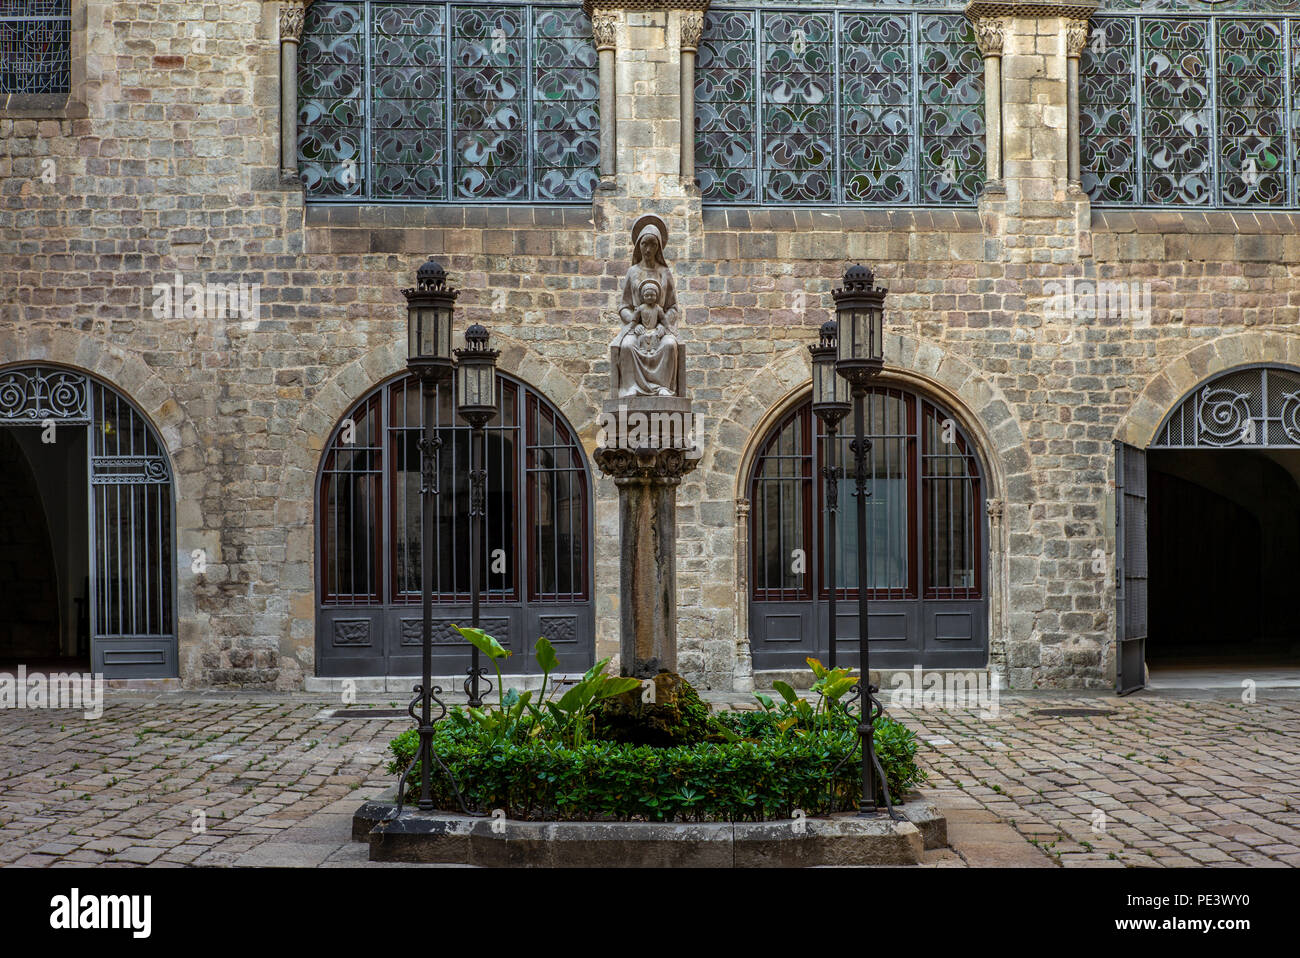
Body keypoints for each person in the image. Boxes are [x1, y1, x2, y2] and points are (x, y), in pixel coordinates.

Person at [610, 217, 684, 398]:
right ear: (638, 246)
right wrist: (635, 322)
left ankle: (663, 388)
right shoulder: (632, 272)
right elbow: (624, 306)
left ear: (658, 247)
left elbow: (673, 306)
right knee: (627, 345)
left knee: (669, 345)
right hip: (636, 328)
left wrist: (662, 324)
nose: (648, 249)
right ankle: (631, 387)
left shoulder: (664, 273)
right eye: (644, 244)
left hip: (660, 328)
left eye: (652, 245)